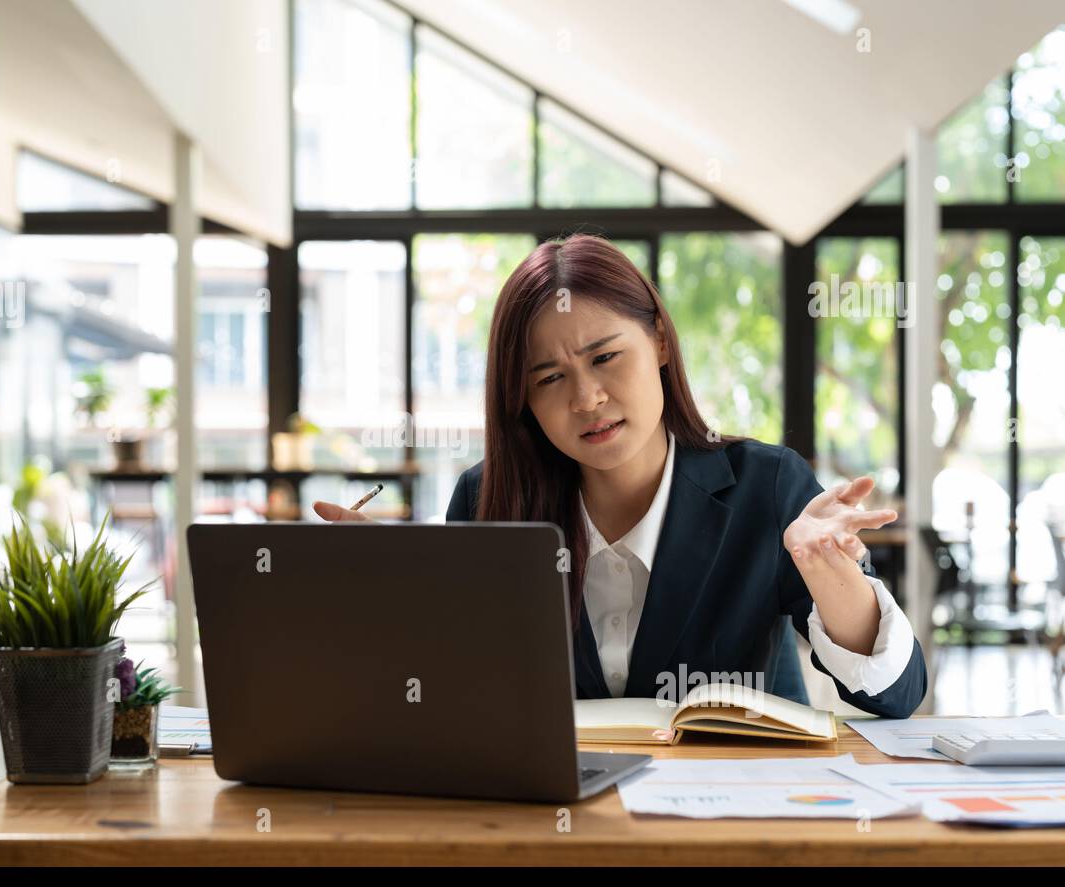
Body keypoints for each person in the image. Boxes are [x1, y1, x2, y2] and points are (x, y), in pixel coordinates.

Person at [314, 234, 925, 718]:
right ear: (521, 398)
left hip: (732, 823)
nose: (586, 398)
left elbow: (896, 697)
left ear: (659, 340)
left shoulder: (766, 486)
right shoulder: (486, 499)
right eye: (549, 377)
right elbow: (457, 697)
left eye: (605, 357)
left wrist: (830, 574)